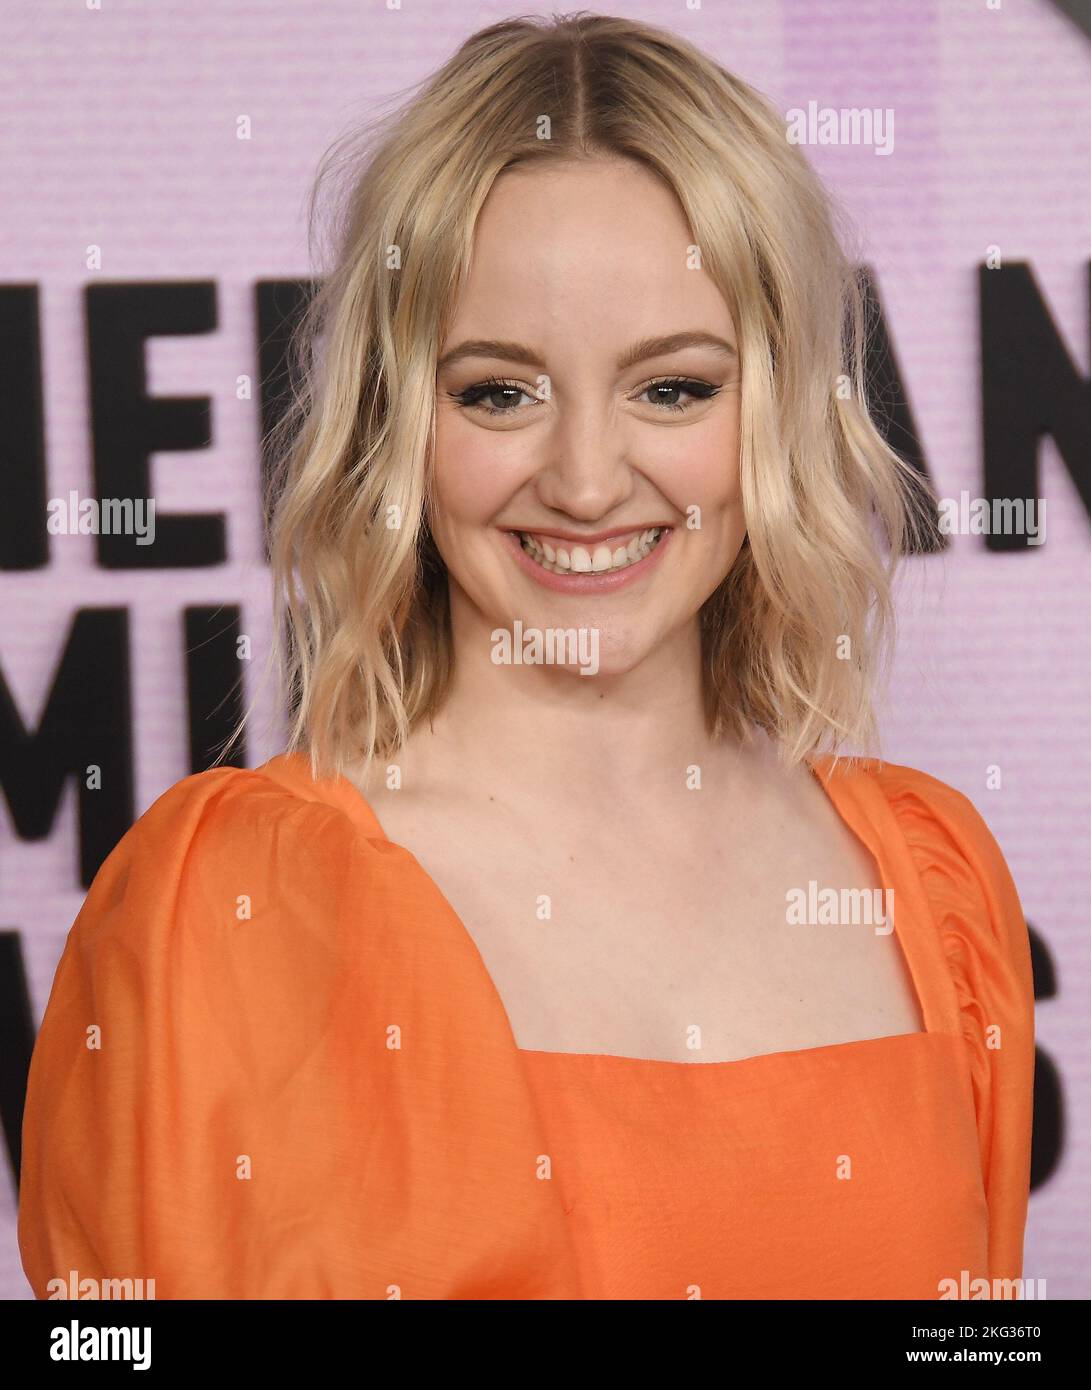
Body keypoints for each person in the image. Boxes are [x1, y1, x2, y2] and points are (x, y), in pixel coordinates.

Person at [19, 12, 1034, 1300]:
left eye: (675, 388)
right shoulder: (219, 913)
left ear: (775, 407)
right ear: (394, 421)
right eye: (499, 390)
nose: (589, 478)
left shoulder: (934, 891)